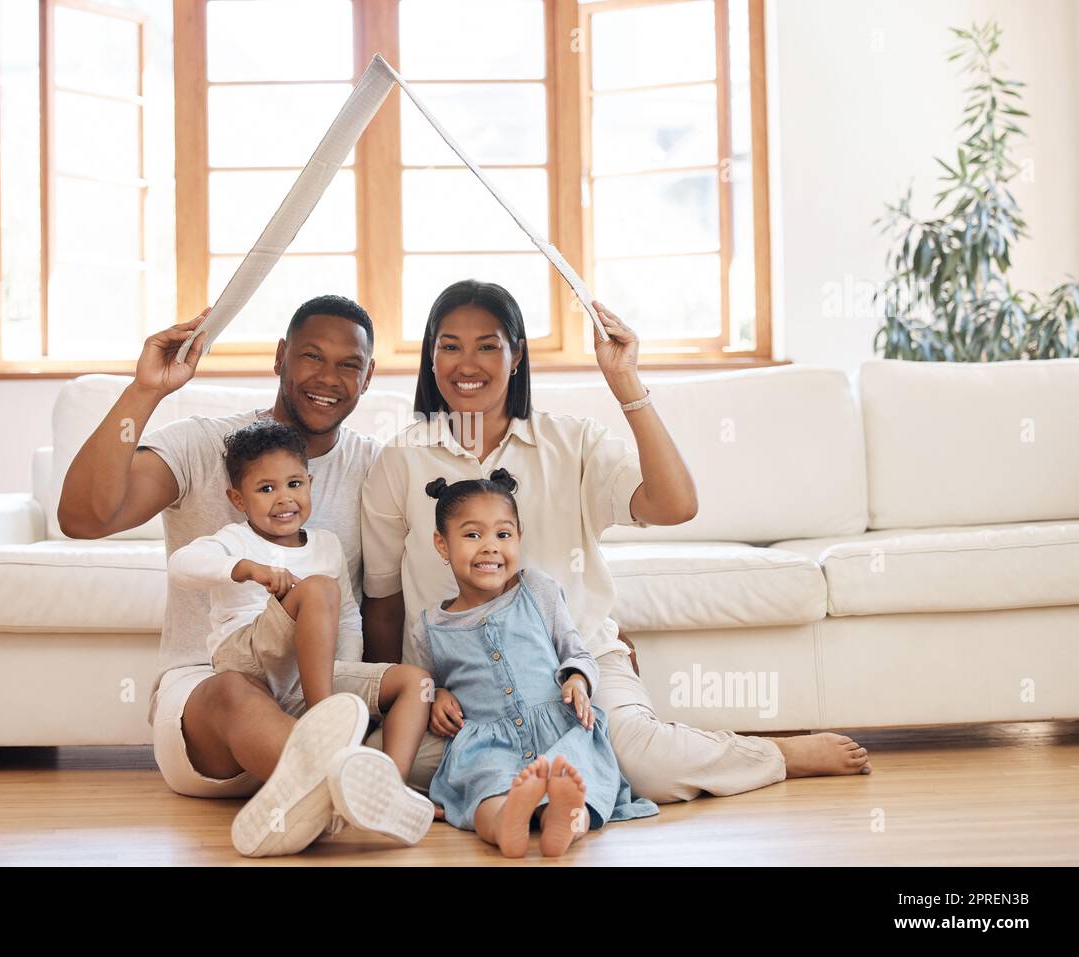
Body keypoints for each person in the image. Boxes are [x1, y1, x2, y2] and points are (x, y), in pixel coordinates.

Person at [361, 279, 872, 805]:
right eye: (450, 346)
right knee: (389, 762)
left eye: (488, 345)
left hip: (575, 664)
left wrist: (626, 381)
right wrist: (409, 695)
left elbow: (675, 505)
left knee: (644, 765)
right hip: (463, 685)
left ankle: (776, 756)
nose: (467, 364)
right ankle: (551, 783)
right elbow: (382, 601)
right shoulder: (398, 460)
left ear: (516, 357)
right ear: (431, 355)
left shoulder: (572, 441)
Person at [58, 294, 433, 856]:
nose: (328, 378)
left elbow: (385, 599)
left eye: (348, 364)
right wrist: (147, 391)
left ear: (369, 375)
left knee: (404, 677)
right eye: (311, 356)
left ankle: (320, 797)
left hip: (320, 695)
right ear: (279, 357)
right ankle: (363, 790)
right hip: (212, 710)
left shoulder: (374, 467)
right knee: (234, 690)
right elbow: (82, 518)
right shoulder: (206, 445)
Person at [167, 421, 433, 854]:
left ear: (310, 483)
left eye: (293, 483)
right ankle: (323, 720)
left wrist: (345, 671)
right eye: (266, 489)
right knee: (318, 588)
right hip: (251, 662)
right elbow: (182, 565)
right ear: (238, 499)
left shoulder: (326, 545)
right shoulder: (234, 540)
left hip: (313, 673)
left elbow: (347, 619)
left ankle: (387, 786)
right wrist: (245, 568)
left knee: (415, 680)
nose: (284, 498)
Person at [416, 468, 657, 858]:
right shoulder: (430, 625)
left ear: (519, 538)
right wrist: (437, 695)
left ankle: (564, 821)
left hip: (560, 728)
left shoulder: (537, 590)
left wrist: (577, 679)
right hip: (487, 743)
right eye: (473, 535)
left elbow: (575, 650)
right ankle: (506, 820)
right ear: (442, 545)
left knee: (578, 779)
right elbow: (426, 679)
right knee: (485, 790)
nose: (491, 547)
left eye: (503, 534)